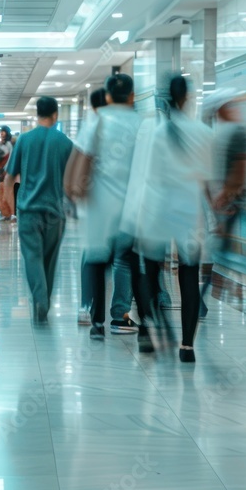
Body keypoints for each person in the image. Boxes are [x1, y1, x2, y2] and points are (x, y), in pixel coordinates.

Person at [127, 74, 213, 362]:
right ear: (187, 97)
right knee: (189, 276)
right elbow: (208, 178)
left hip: (158, 210)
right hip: (190, 212)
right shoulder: (202, 132)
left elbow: (148, 177)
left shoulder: (156, 133)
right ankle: (187, 346)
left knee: (150, 273)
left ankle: (151, 326)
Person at [78, 74, 153, 347]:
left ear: (108, 97)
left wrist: (80, 195)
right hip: (134, 208)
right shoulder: (144, 125)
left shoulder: (96, 123)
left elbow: (83, 161)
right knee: (134, 265)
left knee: (98, 265)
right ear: (132, 96)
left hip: (101, 207)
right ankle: (145, 322)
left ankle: (97, 324)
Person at [1, 96, 73, 322]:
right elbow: (72, 180)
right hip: (55, 211)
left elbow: (10, 175)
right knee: (50, 259)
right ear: (55, 114)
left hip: (29, 209)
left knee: (32, 256)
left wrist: (8, 202)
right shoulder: (64, 142)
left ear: (37, 113)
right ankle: (45, 301)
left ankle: (40, 298)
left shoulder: (24, 139)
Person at [200, 92, 246, 317]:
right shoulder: (237, 133)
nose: (235, 108)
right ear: (221, 109)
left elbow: (203, 177)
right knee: (221, 252)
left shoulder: (212, 136)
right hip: (229, 203)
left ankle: (202, 296)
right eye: (230, 105)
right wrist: (226, 198)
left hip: (216, 202)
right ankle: (205, 295)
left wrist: (212, 203)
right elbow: (241, 171)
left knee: (217, 251)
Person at [78, 88, 110, 325]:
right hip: (120, 208)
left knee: (92, 257)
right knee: (120, 262)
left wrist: (75, 192)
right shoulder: (119, 126)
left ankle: (89, 309)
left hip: (94, 205)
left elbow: (77, 166)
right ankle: (118, 314)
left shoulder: (90, 128)